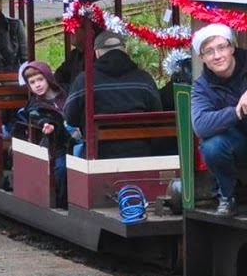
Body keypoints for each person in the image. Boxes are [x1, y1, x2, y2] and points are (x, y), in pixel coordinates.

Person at [189, 23, 247, 216]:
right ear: (202, 58)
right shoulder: (201, 87)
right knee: (212, 145)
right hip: (242, 146)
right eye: (209, 51)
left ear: (232, 47)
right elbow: (201, 125)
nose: (217, 55)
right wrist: (237, 112)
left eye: (222, 47)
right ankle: (227, 196)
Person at [61, 30, 162, 159]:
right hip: (140, 153)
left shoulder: (84, 81)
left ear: (97, 53)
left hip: (98, 155)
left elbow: (70, 118)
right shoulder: (144, 80)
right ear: (125, 51)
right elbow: (157, 114)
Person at [13, 60, 70, 204]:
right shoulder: (35, 104)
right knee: (61, 167)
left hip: (76, 138)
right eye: (32, 82)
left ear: (48, 78)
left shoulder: (66, 92)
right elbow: (37, 117)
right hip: (55, 144)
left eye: (40, 79)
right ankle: (61, 202)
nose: (37, 85)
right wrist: (48, 125)